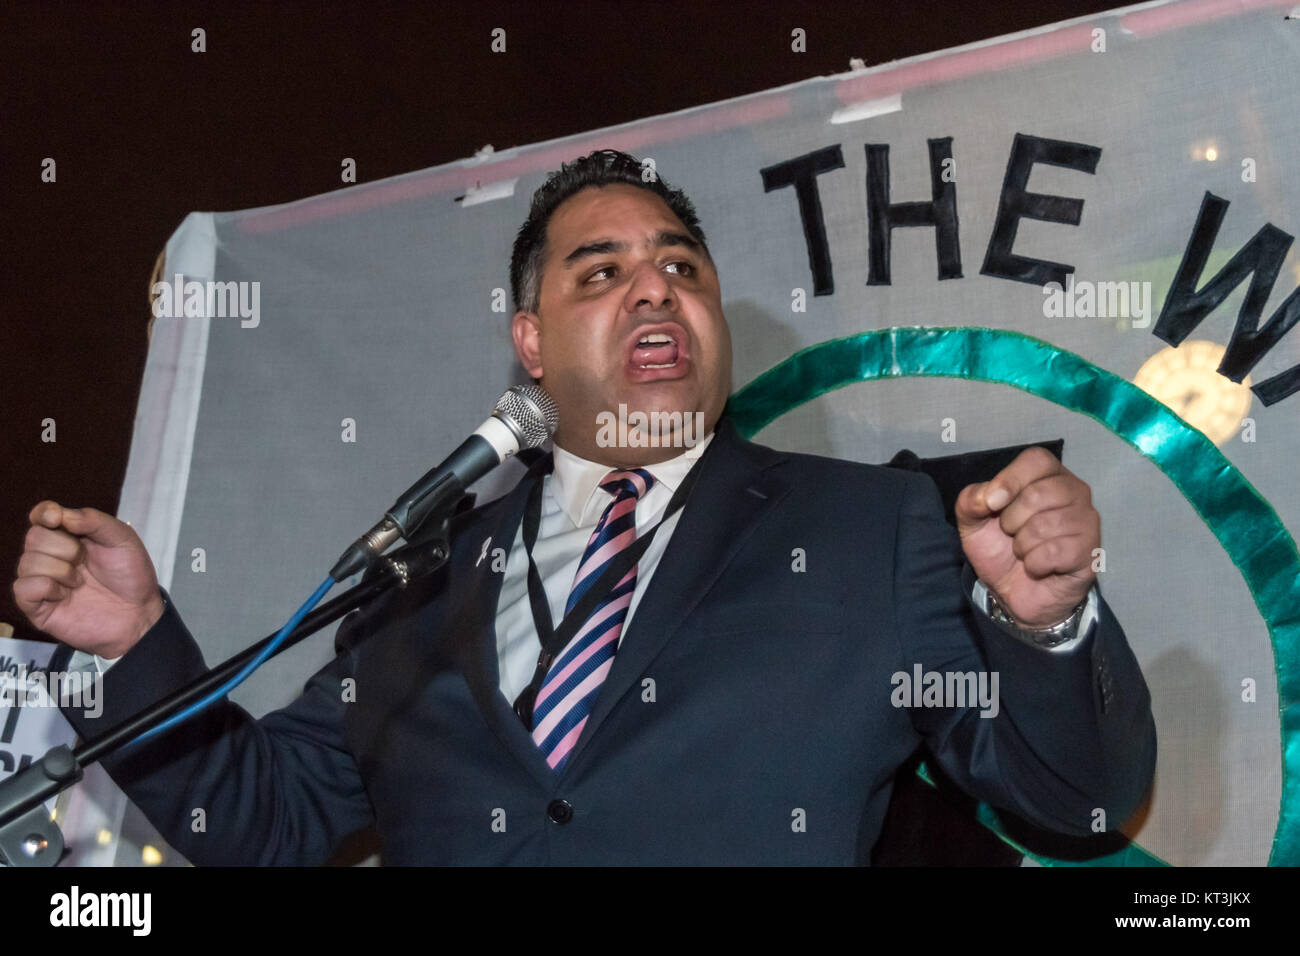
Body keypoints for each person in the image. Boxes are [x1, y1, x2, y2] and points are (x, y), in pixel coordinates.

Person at [13, 149, 1156, 865]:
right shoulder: (420, 571)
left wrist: (1047, 626)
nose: (655, 284)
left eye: (681, 266)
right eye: (599, 272)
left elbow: (1079, 802)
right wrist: (139, 640)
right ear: (530, 343)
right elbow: (258, 822)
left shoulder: (874, 528)